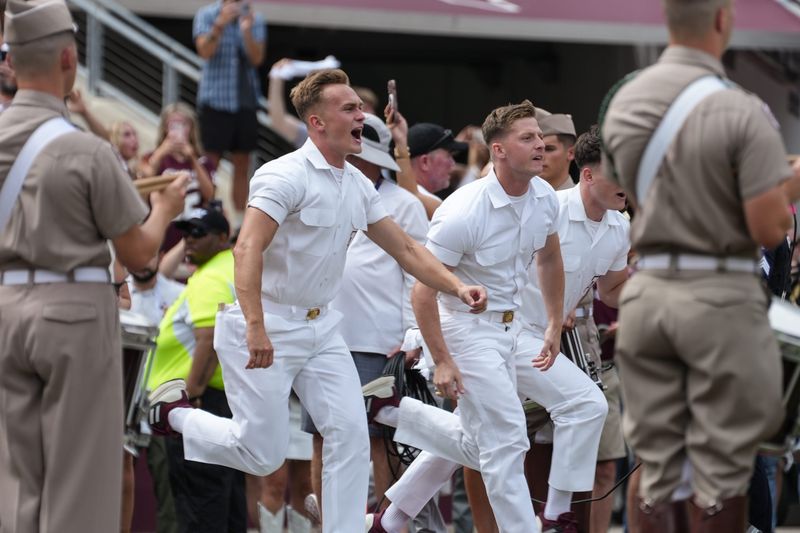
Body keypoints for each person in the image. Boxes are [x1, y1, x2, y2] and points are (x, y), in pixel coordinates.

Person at [146, 68, 487, 533]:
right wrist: (254, 325)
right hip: (267, 322)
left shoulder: (358, 185)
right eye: (348, 108)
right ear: (316, 122)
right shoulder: (282, 175)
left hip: (324, 329)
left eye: (359, 107)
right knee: (261, 455)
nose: (360, 115)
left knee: (349, 437)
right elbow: (246, 248)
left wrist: (457, 287)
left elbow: (407, 250)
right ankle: (177, 415)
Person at [601, 0, 800, 529]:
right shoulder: (741, 109)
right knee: (723, 470)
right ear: (721, 21)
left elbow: (637, 186)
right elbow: (768, 227)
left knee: (657, 465)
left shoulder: (623, 102)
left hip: (649, 293)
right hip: (717, 294)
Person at [0, 2, 187, 532]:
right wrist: (168, 209)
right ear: (67, 57)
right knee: (80, 473)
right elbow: (137, 253)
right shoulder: (85, 150)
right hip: (72, 316)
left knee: (15, 471)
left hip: (6, 309)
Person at [365, 100, 568, 533]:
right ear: (498, 150)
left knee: (483, 440)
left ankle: (391, 501)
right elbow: (423, 292)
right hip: (465, 329)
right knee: (509, 438)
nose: (541, 146)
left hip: (515, 332)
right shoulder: (463, 210)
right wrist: (441, 359)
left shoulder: (545, 196)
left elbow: (550, 258)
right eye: (528, 138)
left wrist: (553, 322)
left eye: (540, 138)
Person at [147, 207, 248, 533]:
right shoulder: (230, 268)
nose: (189, 240)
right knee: (224, 499)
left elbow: (209, 340)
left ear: (222, 238)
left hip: (198, 403)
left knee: (198, 506)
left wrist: (190, 397)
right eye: (186, 232)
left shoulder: (211, 278)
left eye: (198, 233)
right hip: (226, 400)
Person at [193, 0, 265, 212]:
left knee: (242, 164)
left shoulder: (254, 18)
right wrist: (219, 24)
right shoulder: (207, 15)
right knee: (209, 163)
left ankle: (239, 221)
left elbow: (257, 58)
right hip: (216, 100)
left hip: (245, 102)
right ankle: (206, 214)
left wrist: (247, 31)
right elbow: (204, 51)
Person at [140, 102, 216, 221]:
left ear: (191, 128)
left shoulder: (203, 161)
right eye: (173, 125)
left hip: (192, 229)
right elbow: (144, 186)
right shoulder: (150, 156)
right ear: (165, 128)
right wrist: (160, 153)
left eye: (184, 124)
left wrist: (192, 159)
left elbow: (209, 195)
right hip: (163, 228)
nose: (178, 130)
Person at [395, 122, 467, 219]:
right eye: (448, 155)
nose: (453, 163)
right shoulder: (418, 202)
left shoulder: (395, 195)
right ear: (425, 162)